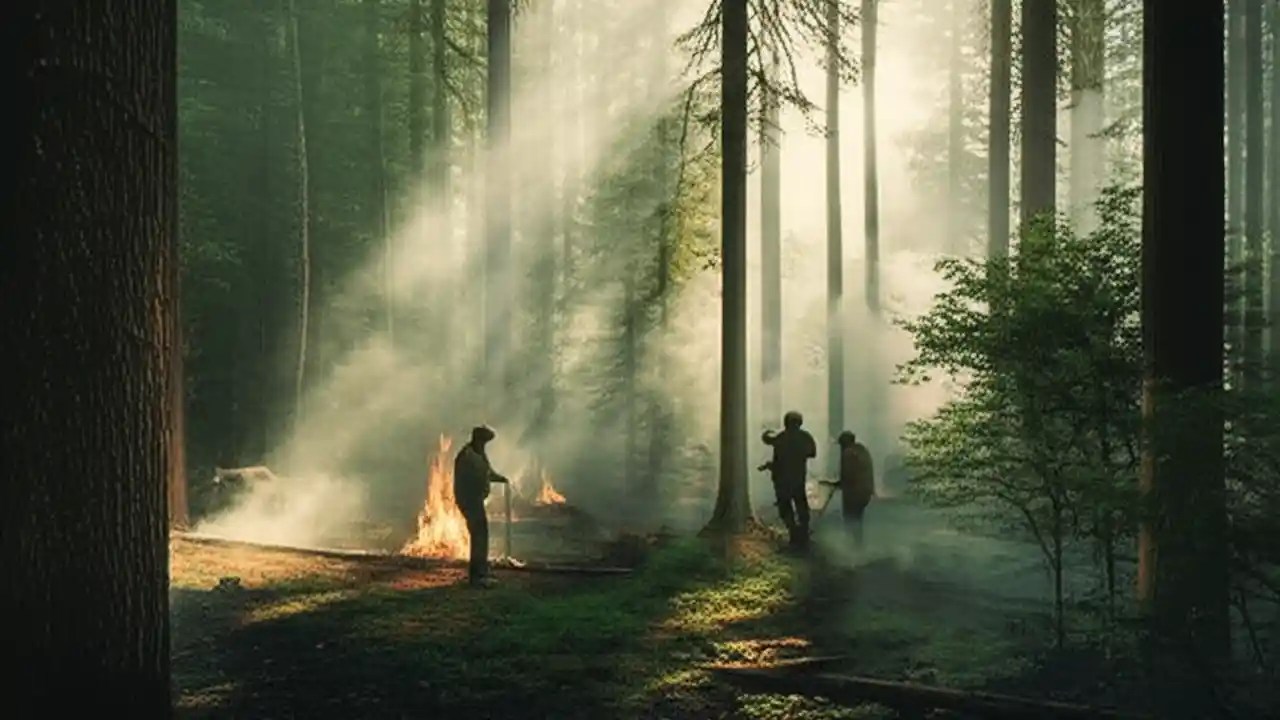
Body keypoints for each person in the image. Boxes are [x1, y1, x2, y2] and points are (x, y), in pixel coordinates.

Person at [453, 424, 510, 587]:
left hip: (475, 499)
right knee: (479, 535)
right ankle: (477, 575)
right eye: (485, 440)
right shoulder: (467, 456)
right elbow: (470, 478)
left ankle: (480, 571)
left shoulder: (479, 454)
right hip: (469, 499)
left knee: (481, 534)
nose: (486, 444)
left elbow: (487, 473)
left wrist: (500, 479)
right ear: (479, 439)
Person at [761, 410, 817, 550]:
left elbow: (768, 440)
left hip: (782, 480)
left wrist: (771, 465)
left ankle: (794, 534)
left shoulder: (781, 438)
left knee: (785, 508)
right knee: (801, 506)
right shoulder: (805, 437)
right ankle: (803, 534)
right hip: (798, 478)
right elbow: (812, 453)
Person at [822, 430, 875, 545]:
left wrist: (836, 484)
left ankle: (852, 546)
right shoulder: (862, 450)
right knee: (858, 519)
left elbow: (848, 475)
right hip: (866, 491)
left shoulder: (848, 453)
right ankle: (858, 543)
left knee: (850, 518)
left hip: (853, 492)